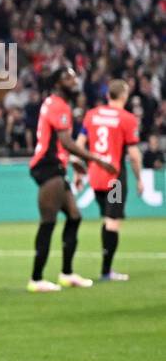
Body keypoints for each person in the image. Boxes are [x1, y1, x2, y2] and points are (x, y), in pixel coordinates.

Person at [26, 66, 118, 292]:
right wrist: (96, 159)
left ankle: (67, 274)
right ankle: (36, 279)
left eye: (74, 76)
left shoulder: (53, 103)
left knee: (74, 217)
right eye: (68, 77)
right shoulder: (59, 106)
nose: (74, 81)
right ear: (58, 83)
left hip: (54, 165)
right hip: (48, 167)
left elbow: (60, 145)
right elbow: (66, 143)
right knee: (48, 223)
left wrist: (74, 162)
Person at [76, 78, 143, 281]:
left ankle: (106, 267)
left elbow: (79, 144)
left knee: (107, 219)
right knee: (113, 222)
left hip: (95, 176)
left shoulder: (91, 115)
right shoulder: (127, 119)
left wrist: (79, 172)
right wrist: (139, 178)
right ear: (124, 96)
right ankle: (106, 271)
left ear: (107, 95)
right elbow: (133, 155)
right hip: (114, 178)